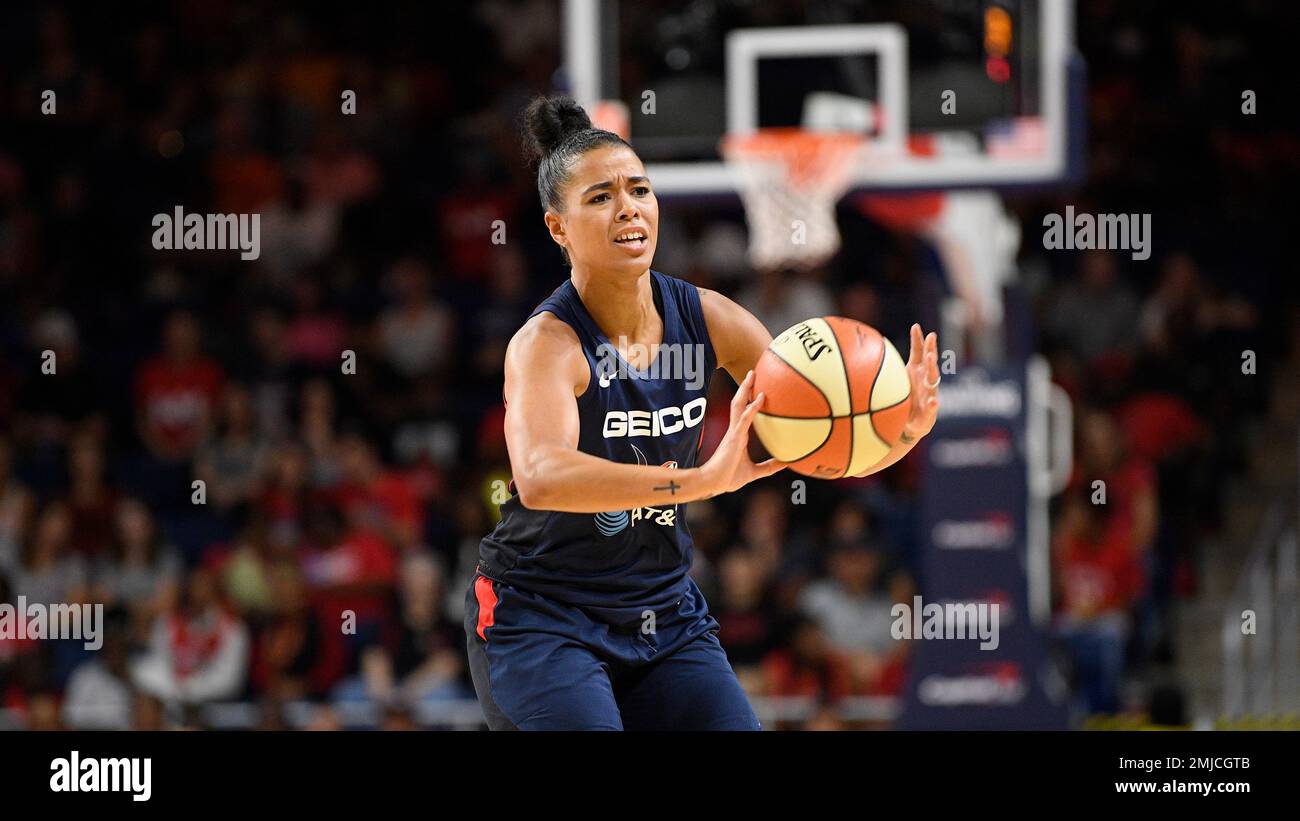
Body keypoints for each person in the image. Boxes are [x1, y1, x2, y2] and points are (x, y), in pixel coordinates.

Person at [463, 96, 941, 731]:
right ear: (558, 227)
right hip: (543, 617)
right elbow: (542, 476)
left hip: (663, 613)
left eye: (639, 188)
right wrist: (700, 482)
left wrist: (896, 432)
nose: (629, 206)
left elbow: (812, 435)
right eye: (601, 197)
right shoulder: (546, 345)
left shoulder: (707, 316)